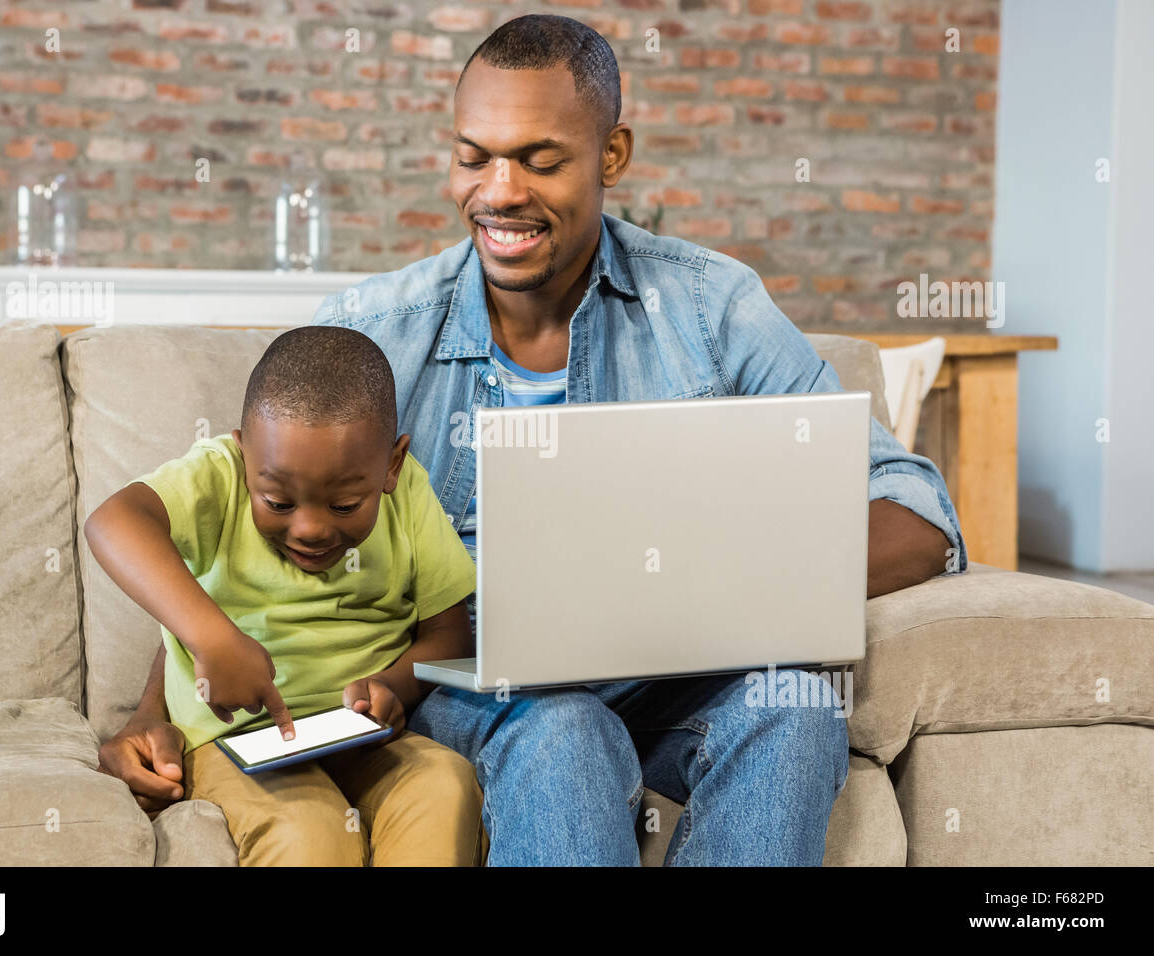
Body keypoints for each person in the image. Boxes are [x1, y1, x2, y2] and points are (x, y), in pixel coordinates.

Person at [101, 14, 966, 866]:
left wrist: (725, 586)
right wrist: (160, 710)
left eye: (540, 159)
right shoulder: (371, 335)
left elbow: (913, 507)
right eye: (473, 157)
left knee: (798, 707)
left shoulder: (711, 309)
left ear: (612, 156)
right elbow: (237, 532)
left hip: (674, 677)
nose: (501, 190)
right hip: (477, 687)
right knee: (564, 725)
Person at [87, 325, 484, 866]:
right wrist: (214, 638)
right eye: (277, 500)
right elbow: (113, 522)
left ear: (391, 465)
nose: (311, 529)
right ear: (243, 452)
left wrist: (393, 685)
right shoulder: (218, 475)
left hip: (357, 735)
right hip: (237, 742)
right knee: (309, 833)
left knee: (446, 785)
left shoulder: (408, 490)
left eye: (344, 506)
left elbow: (449, 635)